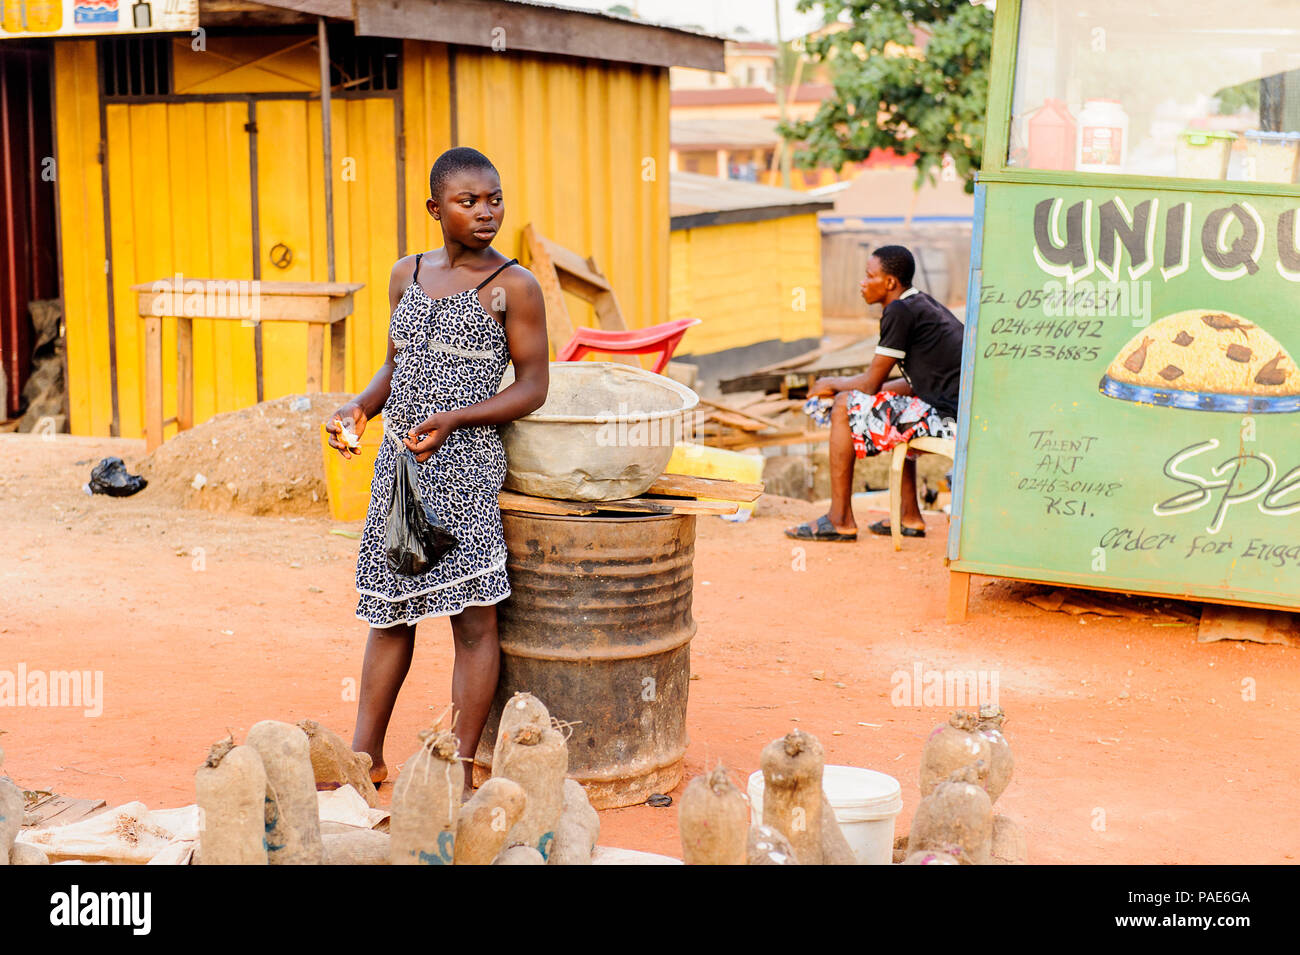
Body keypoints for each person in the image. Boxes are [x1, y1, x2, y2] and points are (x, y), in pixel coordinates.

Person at [325, 147, 549, 792]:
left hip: (467, 467)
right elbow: (398, 363)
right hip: (401, 467)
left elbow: (533, 386)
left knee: (473, 622)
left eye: (495, 199)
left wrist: (457, 418)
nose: (486, 213)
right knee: (388, 613)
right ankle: (364, 756)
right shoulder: (407, 274)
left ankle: (455, 761)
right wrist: (361, 406)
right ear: (435, 208)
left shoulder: (516, 286)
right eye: (468, 201)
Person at [786, 245, 962, 542]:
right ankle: (909, 516)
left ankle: (839, 518)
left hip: (948, 419)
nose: (862, 283)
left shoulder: (898, 311)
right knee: (892, 403)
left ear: (890, 283)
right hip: (958, 409)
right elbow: (914, 384)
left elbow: (869, 384)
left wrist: (829, 383)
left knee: (843, 405)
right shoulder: (921, 304)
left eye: (869, 276)